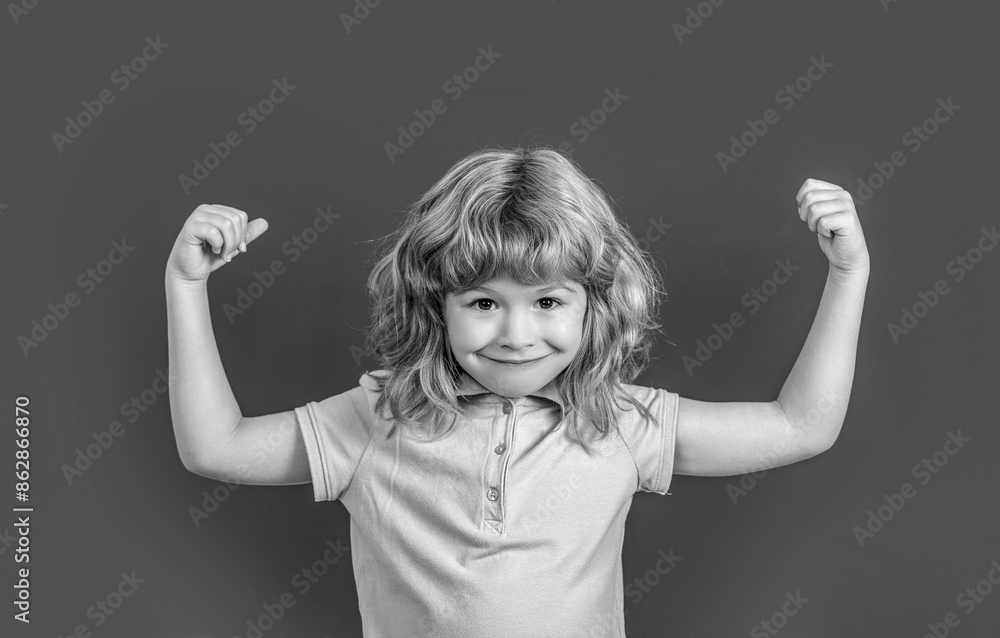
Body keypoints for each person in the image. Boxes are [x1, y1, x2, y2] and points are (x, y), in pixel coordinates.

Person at [164, 146, 870, 636]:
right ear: (434, 304)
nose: (515, 332)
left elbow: (799, 424)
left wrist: (848, 275)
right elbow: (215, 446)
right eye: (482, 302)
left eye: (548, 302)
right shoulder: (376, 418)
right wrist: (186, 286)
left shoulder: (619, 420)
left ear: (594, 306)